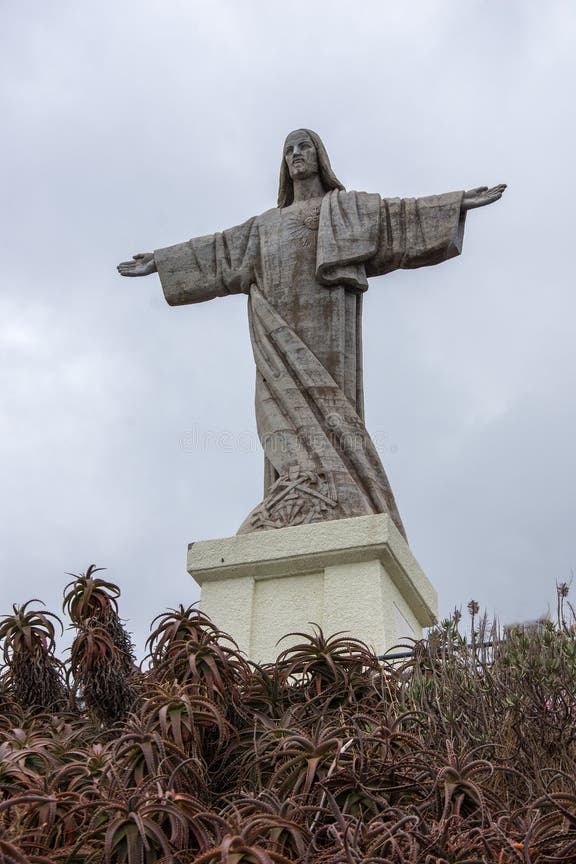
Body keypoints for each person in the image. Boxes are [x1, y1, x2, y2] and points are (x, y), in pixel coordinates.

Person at [118, 129, 505, 536]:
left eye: (304, 146)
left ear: (319, 156)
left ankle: (340, 495)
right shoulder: (264, 227)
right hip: (276, 339)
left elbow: (397, 219)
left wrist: (455, 204)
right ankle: (296, 495)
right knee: (278, 417)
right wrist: (163, 262)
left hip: (329, 336)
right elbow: (218, 252)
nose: (296, 154)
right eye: (288, 149)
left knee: (334, 413)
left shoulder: (345, 210)